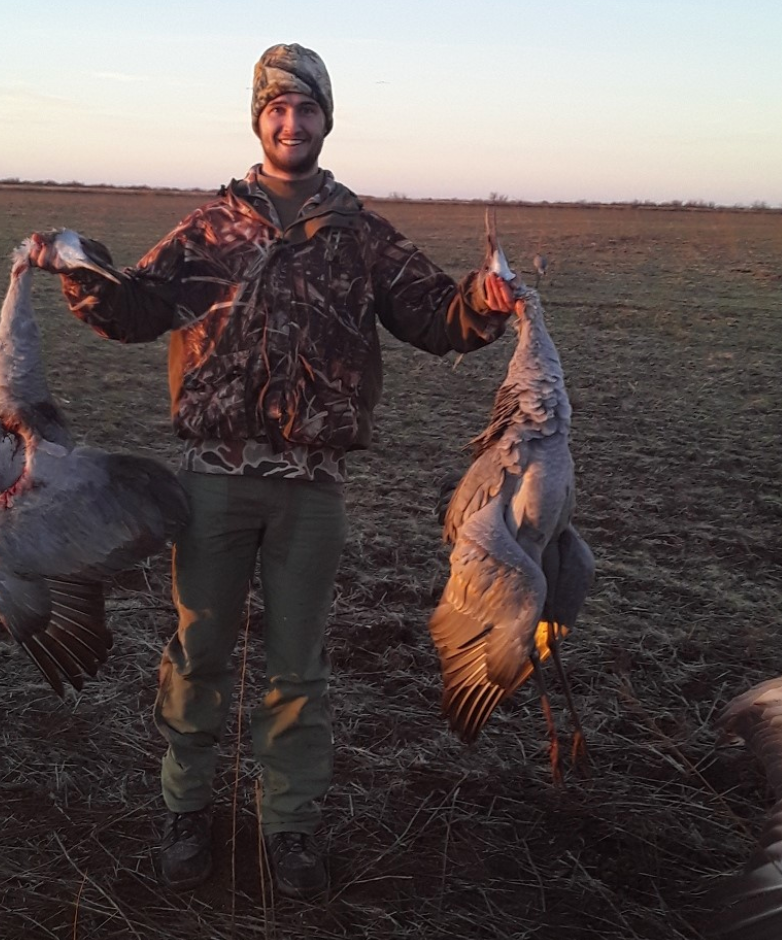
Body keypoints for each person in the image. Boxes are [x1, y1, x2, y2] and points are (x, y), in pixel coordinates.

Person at [28, 42, 515, 900]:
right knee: (199, 651)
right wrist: (77, 266)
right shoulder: (210, 224)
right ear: (259, 119)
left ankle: (288, 827)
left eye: (308, 109)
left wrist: (486, 300)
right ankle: (187, 810)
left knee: (299, 665)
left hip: (312, 491)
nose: (292, 124)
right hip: (211, 480)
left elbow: (436, 317)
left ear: (328, 119)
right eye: (277, 109)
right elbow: (138, 305)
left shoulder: (360, 232)